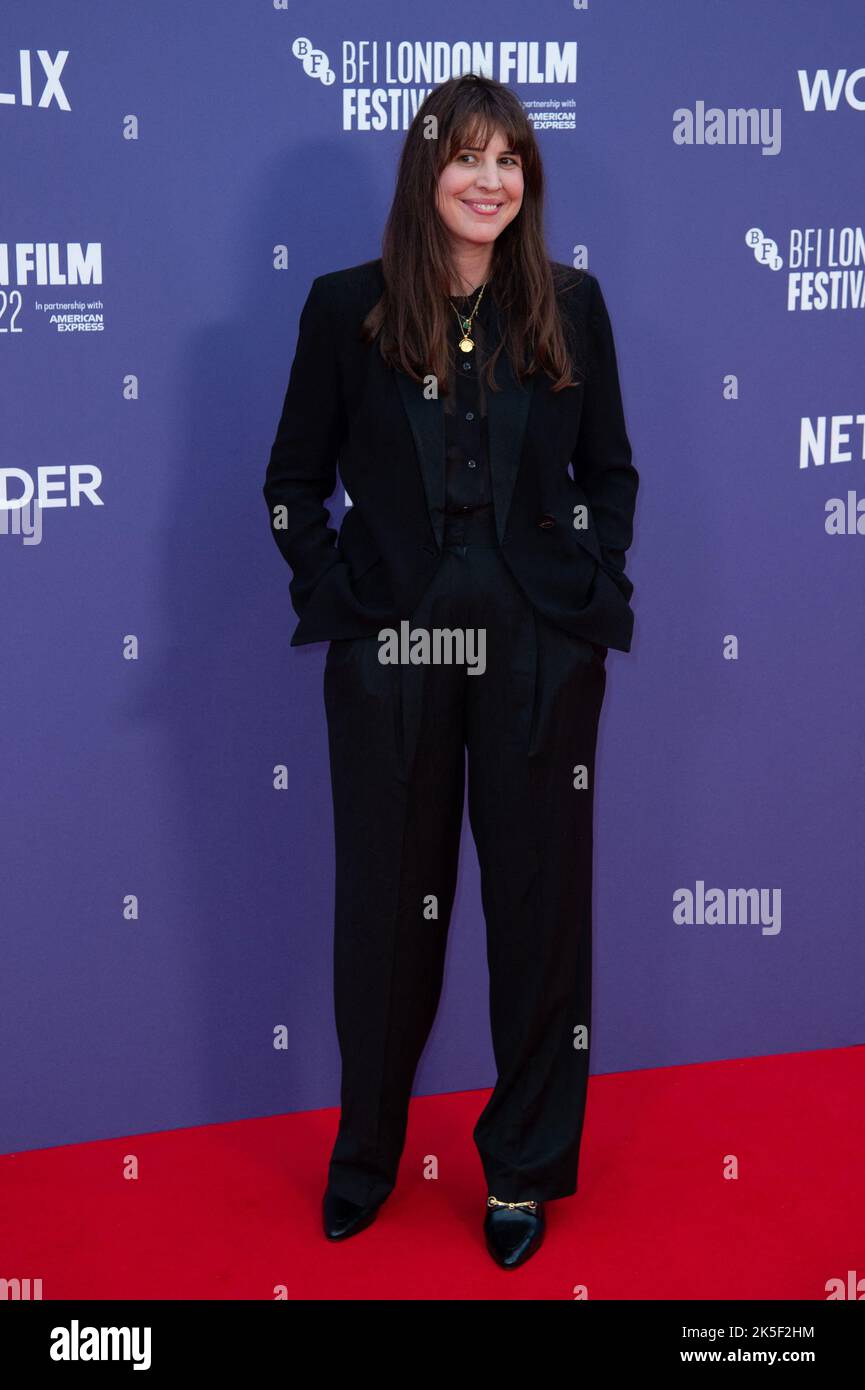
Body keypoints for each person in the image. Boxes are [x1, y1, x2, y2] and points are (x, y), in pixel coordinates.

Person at [263, 73, 638, 1270]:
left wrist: (587, 594)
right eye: (466, 158)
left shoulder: (570, 306)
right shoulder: (346, 310)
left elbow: (612, 475)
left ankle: (522, 1167)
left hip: (537, 648)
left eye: (510, 160)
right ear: (424, 175)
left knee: (539, 917)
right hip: (394, 651)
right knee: (383, 912)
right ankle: (366, 1156)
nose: (490, 181)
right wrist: (344, 590)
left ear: (528, 181)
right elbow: (289, 482)